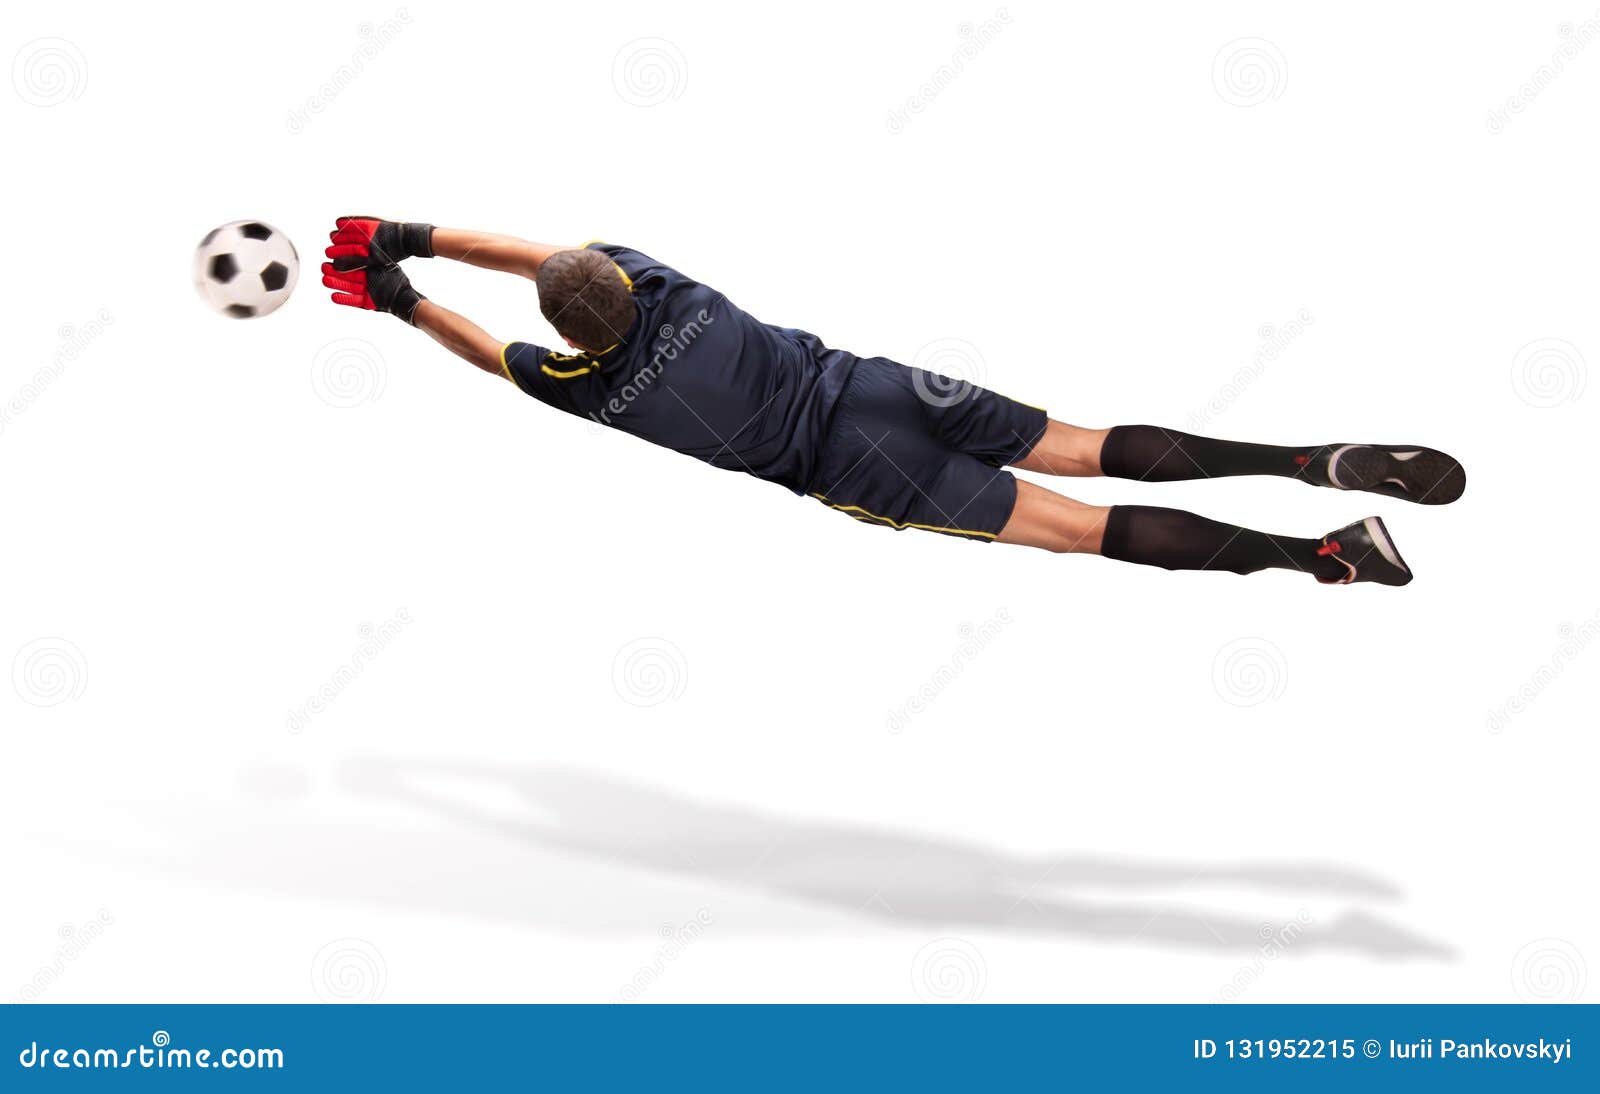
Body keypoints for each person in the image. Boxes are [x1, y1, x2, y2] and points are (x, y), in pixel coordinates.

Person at [322, 218, 1464, 586]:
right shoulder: (662, 282)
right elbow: (536, 261)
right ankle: (1305, 454)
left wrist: (401, 304)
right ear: (618, 279)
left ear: (572, 335)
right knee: (1089, 443)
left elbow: (491, 351)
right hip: (879, 383)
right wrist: (419, 236)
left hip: (860, 467)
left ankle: (1323, 551)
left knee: (1078, 529)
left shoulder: (589, 386)